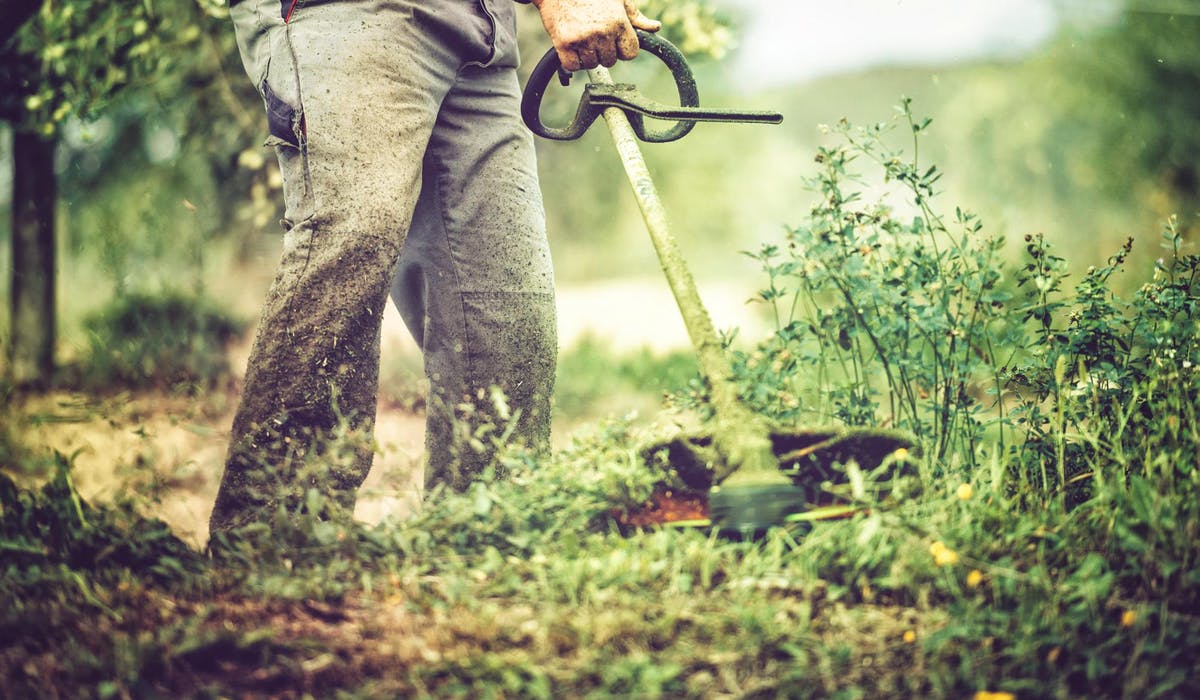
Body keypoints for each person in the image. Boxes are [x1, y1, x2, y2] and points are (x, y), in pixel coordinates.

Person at [208, 0, 661, 536]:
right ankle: (272, 534)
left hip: (482, 33)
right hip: (346, 14)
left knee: (505, 295)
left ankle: (489, 533)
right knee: (355, 233)